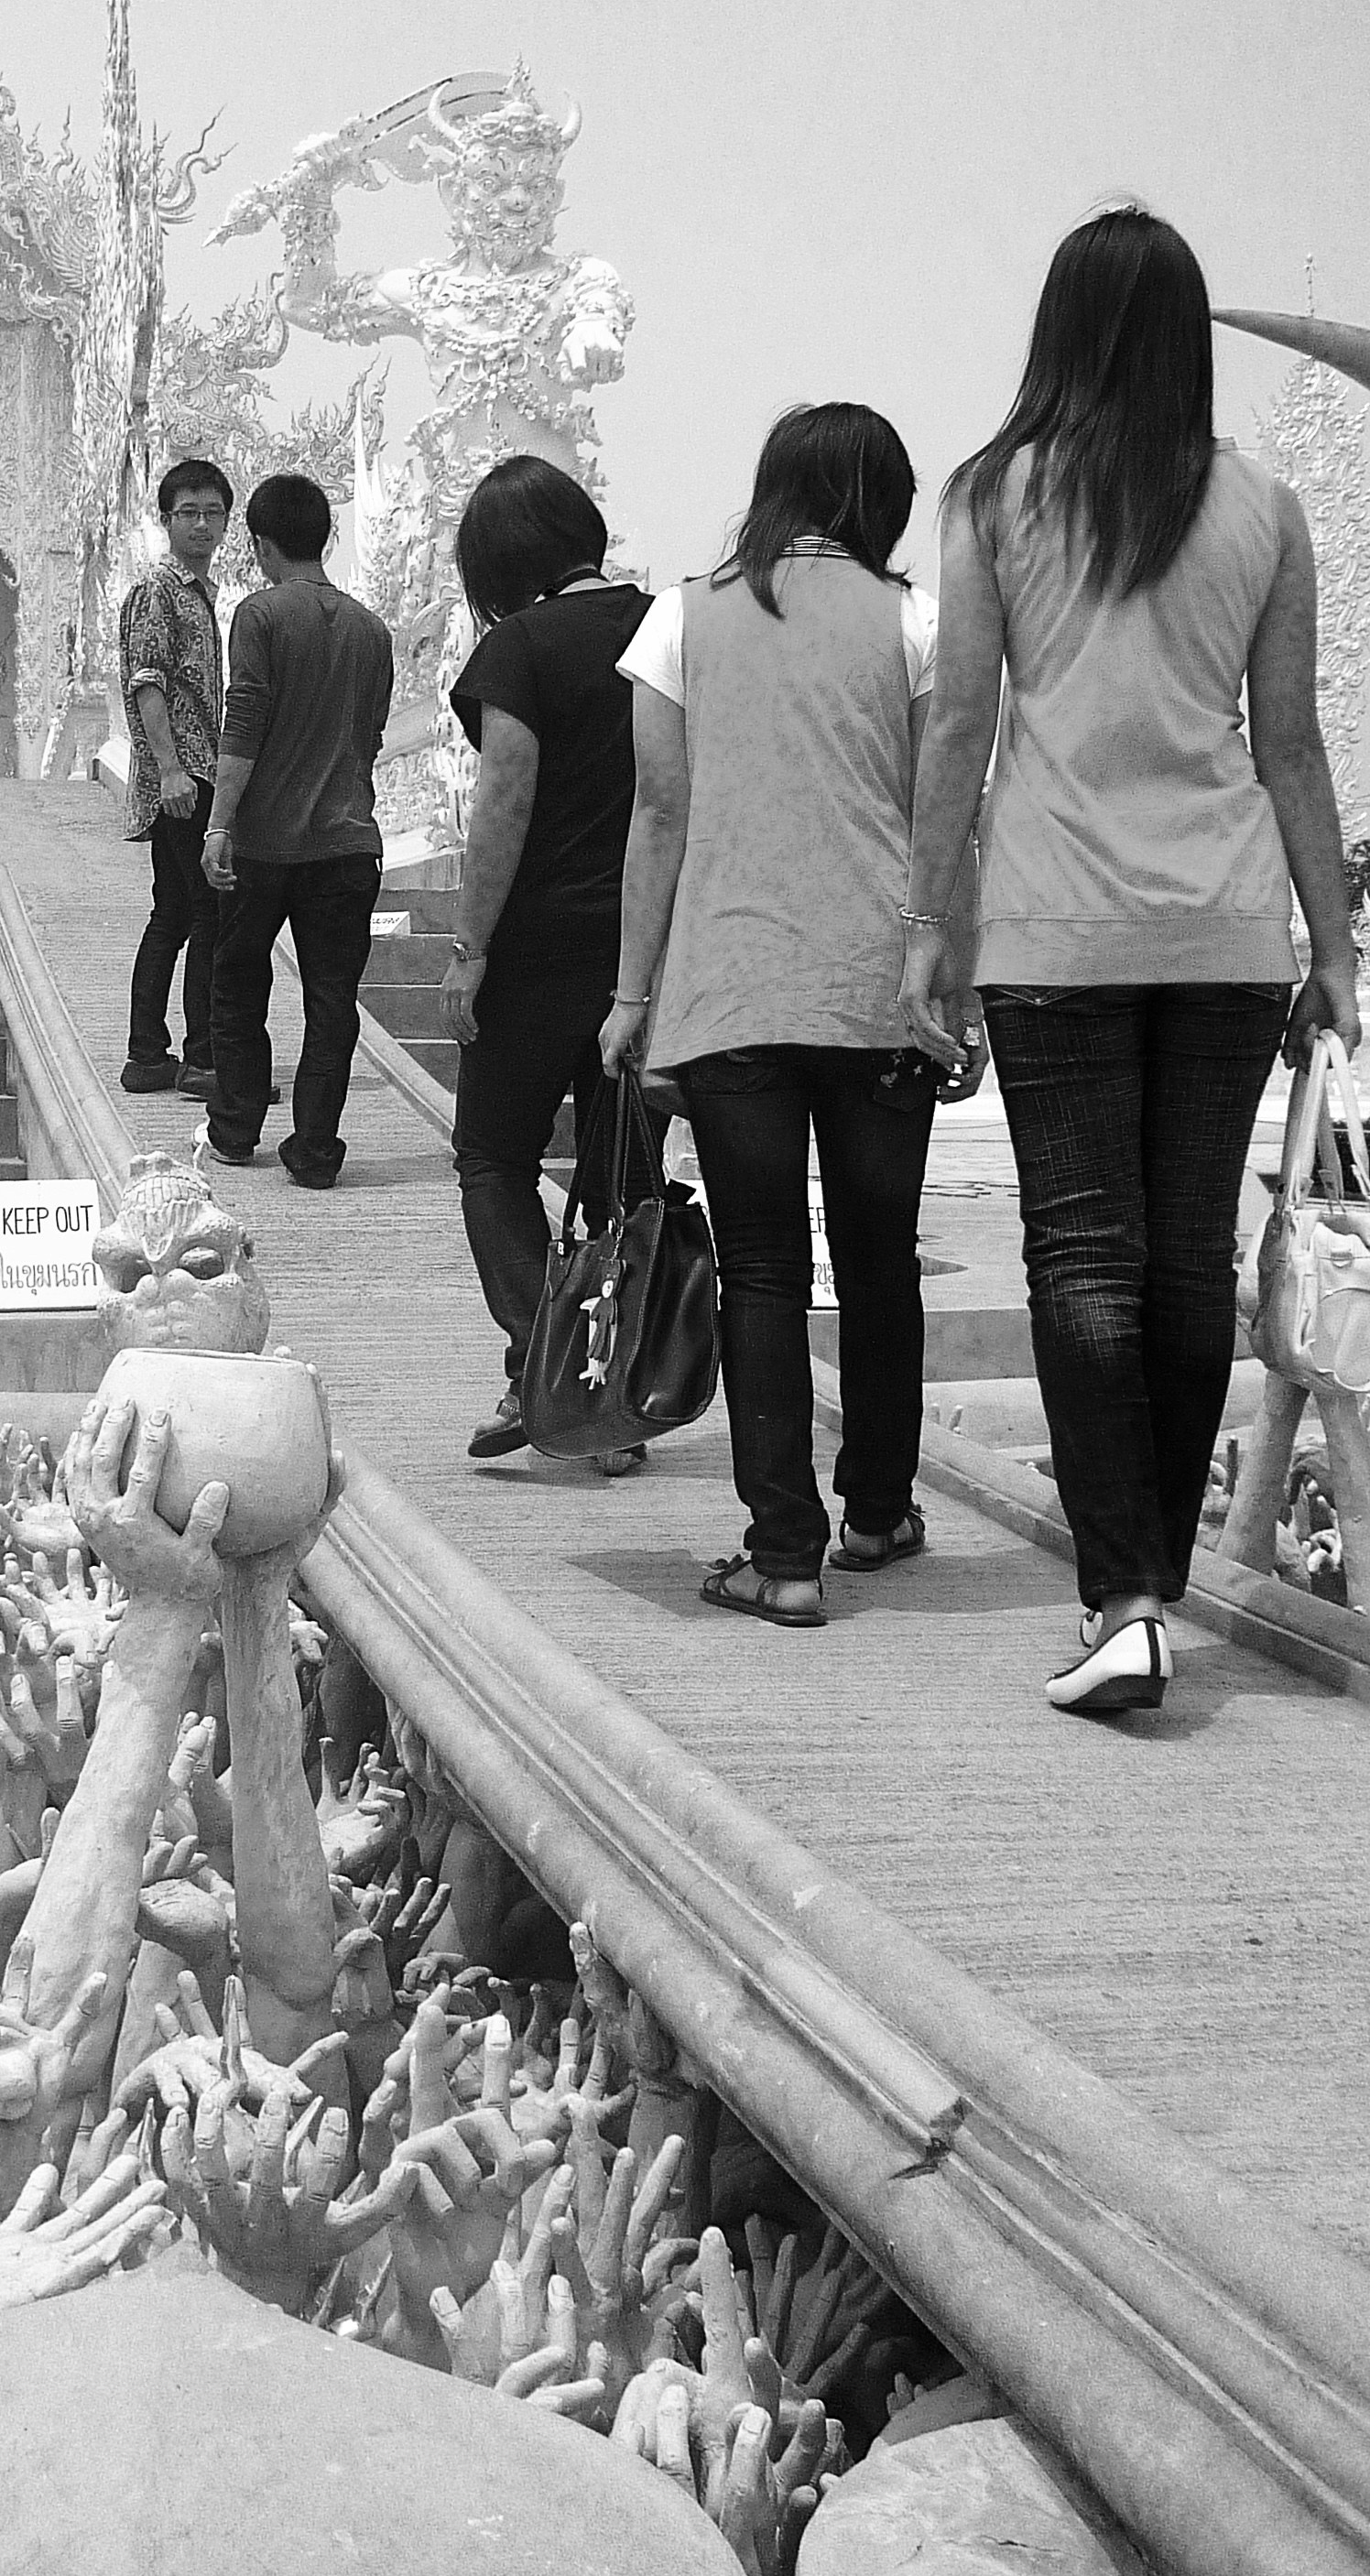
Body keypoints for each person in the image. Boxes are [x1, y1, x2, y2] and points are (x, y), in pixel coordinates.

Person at [901, 206, 1359, 1718]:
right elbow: (1286, 741)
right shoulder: (1262, 507)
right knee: (1182, 1261)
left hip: (1056, 928)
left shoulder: (994, 498)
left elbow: (960, 727)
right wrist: (1334, 947)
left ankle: (1128, 1599)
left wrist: (930, 932)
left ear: (1060, 328)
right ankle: (1148, 1584)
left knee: (1084, 1258)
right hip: (1225, 930)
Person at [602, 403, 972, 1631]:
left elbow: (657, 816)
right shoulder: (918, 622)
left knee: (762, 1272)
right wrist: (958, 991)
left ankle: (784, 1555)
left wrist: (630, 999)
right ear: (879, 502)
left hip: (730, 994)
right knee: (879, 1264)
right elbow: (948, 822)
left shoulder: (683, 617)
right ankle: (879, 1513)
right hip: (879, 994)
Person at [439, 455, 652, 1462]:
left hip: (536, 951)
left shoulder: (520, 647)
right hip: (647, 952)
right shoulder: (670, 629)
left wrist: (472, 948)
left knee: (493, 1156)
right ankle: (607, 1392)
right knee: (618, 1181)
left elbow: (506, 801)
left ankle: (545, 1368)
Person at [201, 472, 394, 1186]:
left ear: (259, 543)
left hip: (264, 843)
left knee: (238, 985)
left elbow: (243, 723)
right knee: (332, 1003)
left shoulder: (260, 616)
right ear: (327, 537)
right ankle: (314, 1149)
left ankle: (236, 1127)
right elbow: (369, 737)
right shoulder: (373, 631)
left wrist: (219, 824)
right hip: (347, 844)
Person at [117, 458, 233, 1097]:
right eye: (187, 512)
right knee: (206, 915)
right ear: (166, 520)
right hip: (184, 774)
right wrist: (169, 770)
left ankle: (149, 1055)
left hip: (199, 768)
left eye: (212, 513)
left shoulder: (199, 593)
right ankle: (202, 1058)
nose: (200, 524)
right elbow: (148, 683)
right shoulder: (159, 590)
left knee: (177, 911)